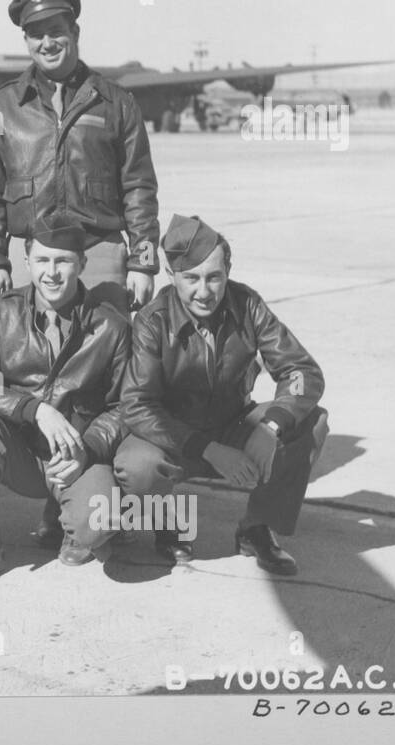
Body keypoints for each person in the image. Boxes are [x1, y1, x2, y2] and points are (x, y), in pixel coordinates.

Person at [113, 214, 329, 574]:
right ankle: (166, 522)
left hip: (233, 425)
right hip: (174, 438)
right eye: (191, 278)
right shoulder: (153, 321)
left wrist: (270, 427)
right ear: (170, 273)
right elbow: (137, 404)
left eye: (214, 277)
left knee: (312, 422)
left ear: (228, 270)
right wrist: (209, 450)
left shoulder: (247, 305)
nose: (204, 291)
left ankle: (257, 528)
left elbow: (301, 372)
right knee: (136, 467)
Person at [0, 218, 131, 585]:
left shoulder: (110, 328)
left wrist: (87, 448)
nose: (51, 273)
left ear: (82, 264)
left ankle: (68, 522)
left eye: (63, 261)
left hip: (77, 458)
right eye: (42, 261)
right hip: (19, 452)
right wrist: (33, 408)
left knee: (97, 525)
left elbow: (124, 407)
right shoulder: (2, 315)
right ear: (28, 261)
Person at [0, 0, 159, 313]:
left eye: (55, 32)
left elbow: (139, 189)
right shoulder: (2, 107)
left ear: (74, 31)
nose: (46, 43)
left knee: (108, 353)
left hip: (100, 252)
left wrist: (143, 263)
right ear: (26, 41)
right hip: (31, 257)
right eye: (35, 34)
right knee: (26, 356)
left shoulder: (116, 103)